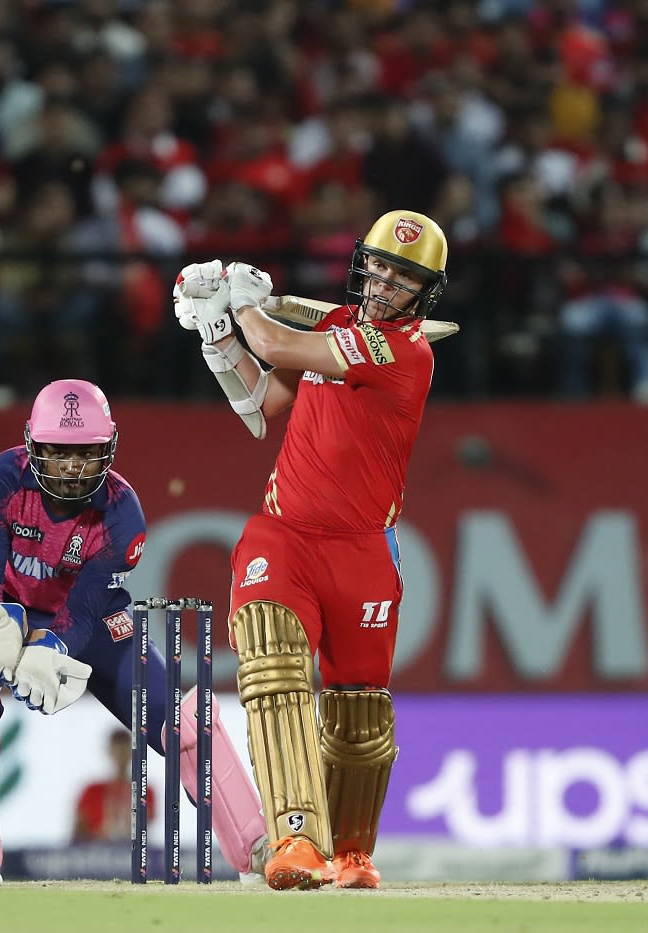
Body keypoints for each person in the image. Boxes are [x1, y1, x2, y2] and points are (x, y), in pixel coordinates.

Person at [172, 210, 451, 890]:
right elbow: (264, 400)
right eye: (380, 267)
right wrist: (215, 335)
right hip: (285, 535)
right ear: (363, 264)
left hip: (363, 553)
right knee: (272, 670)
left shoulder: (403, 351)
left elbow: (274, 344)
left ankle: (350, 852)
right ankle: (294, 839)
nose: (386, 283)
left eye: (404, 276)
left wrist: (236, 296)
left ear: (425, 290)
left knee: (359, 711)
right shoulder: (338, 329)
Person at [0, 379, 268, 885]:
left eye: (85, 453)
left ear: (107, 448)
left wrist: (51, 646)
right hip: (6, 609)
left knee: (178, 720)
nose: (72, 468)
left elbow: (83, 611)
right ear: (32, 445)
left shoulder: (122, 514)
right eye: (58, 452)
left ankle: (257, 846)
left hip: (94, 621)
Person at [72, 730, 153, 843]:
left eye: (124, 748)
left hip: (130, 852)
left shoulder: (144, 790)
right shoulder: (92, 791)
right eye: (117, 748)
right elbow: (77, 830)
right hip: (97, 853)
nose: (121, 753)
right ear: (110, 750)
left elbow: (145, 824)